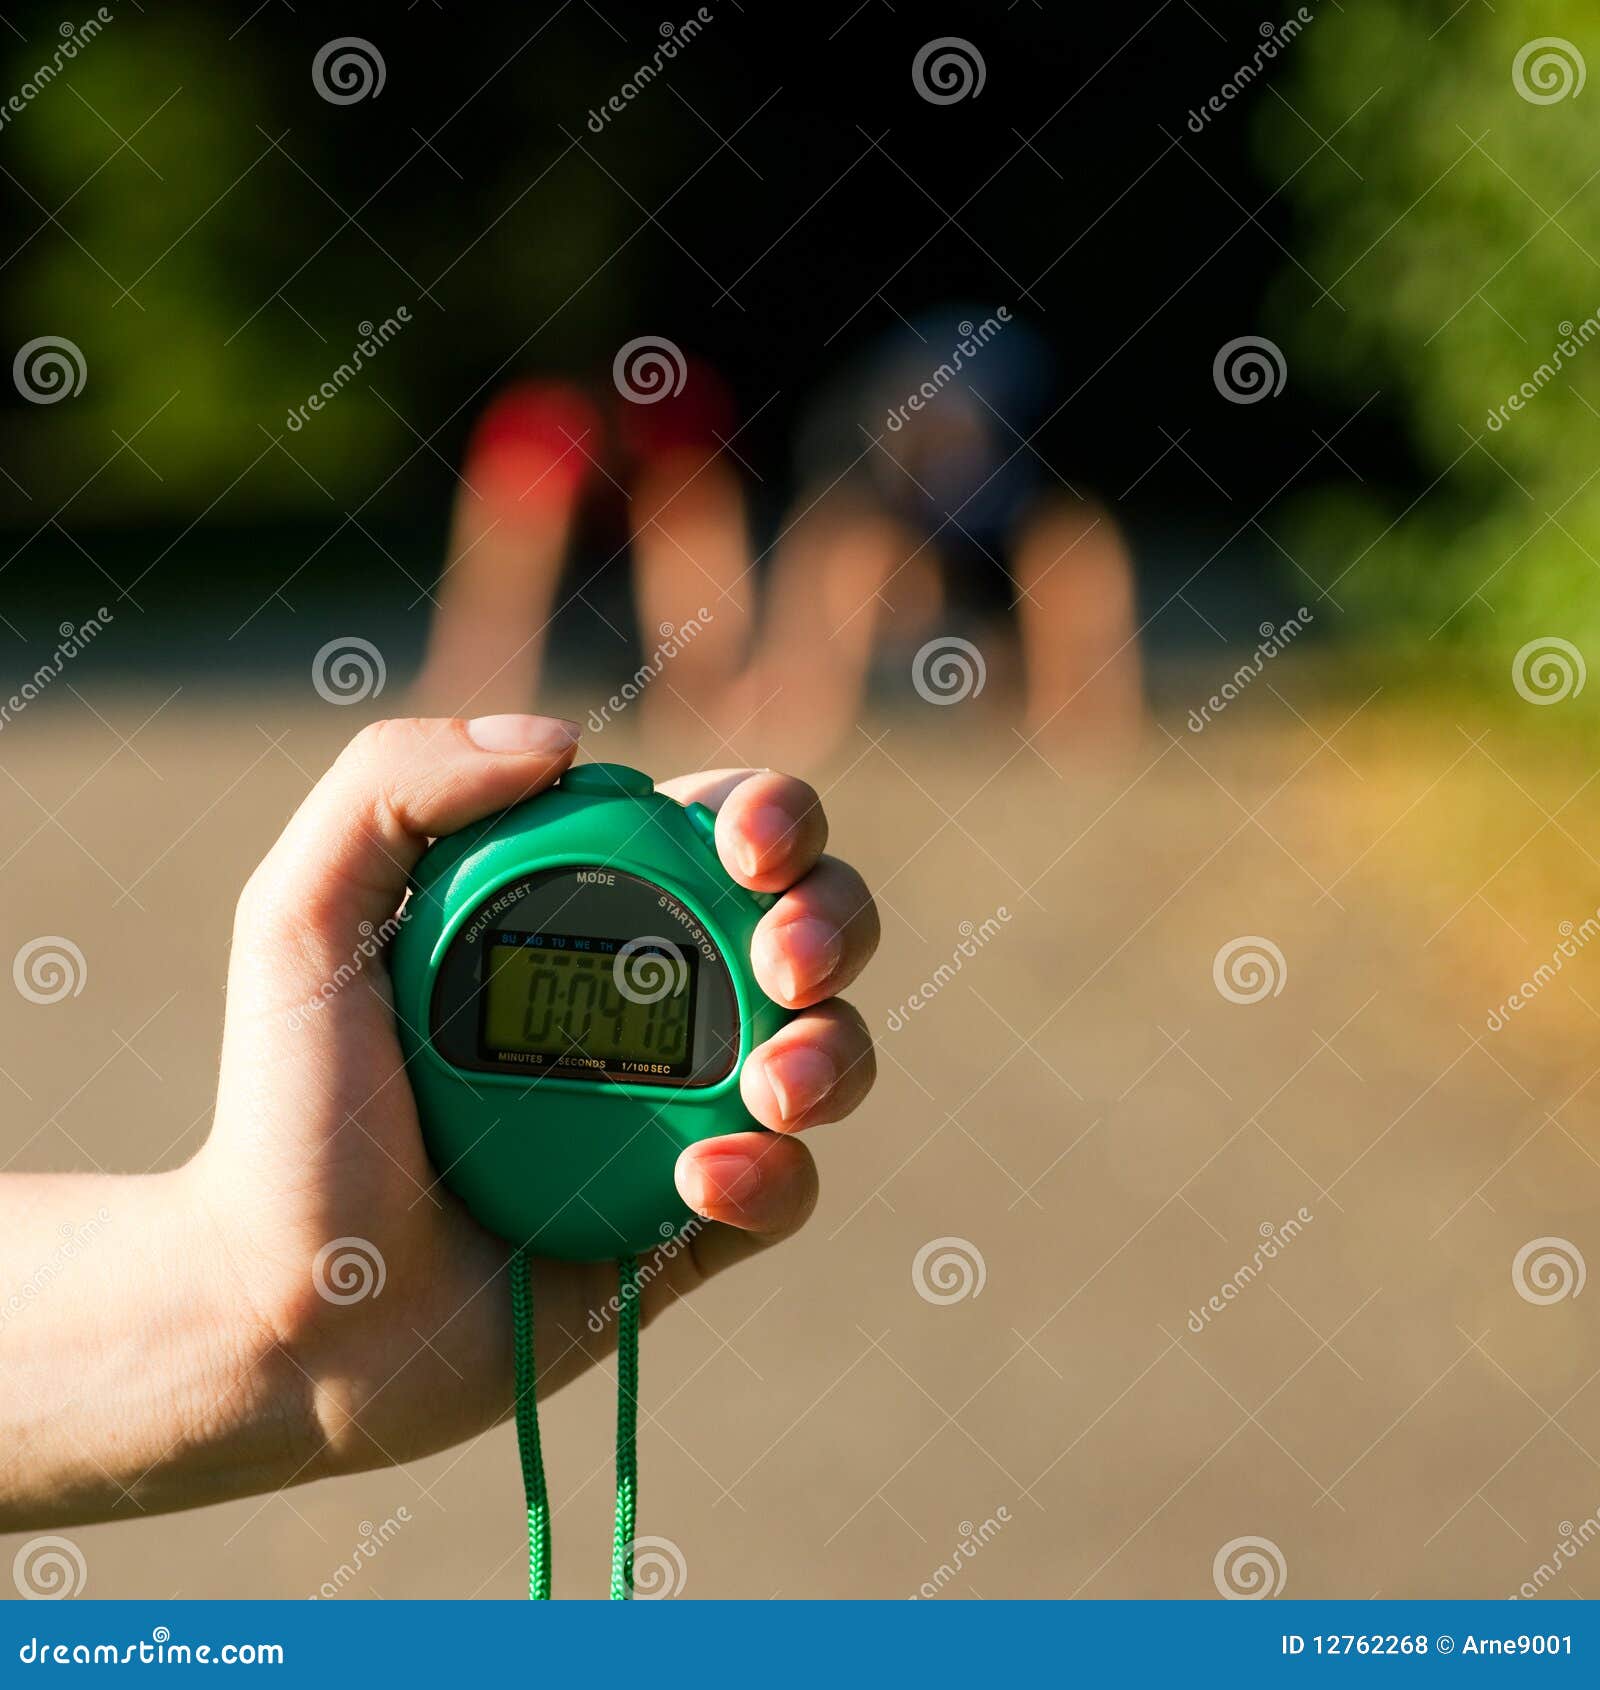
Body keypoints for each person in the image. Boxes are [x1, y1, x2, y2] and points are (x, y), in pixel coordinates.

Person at [0, 716, 878, 1527]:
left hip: (621, 1200)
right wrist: (272, 1317)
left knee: (780, 910)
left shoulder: (480, 878)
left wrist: (280, 1324)